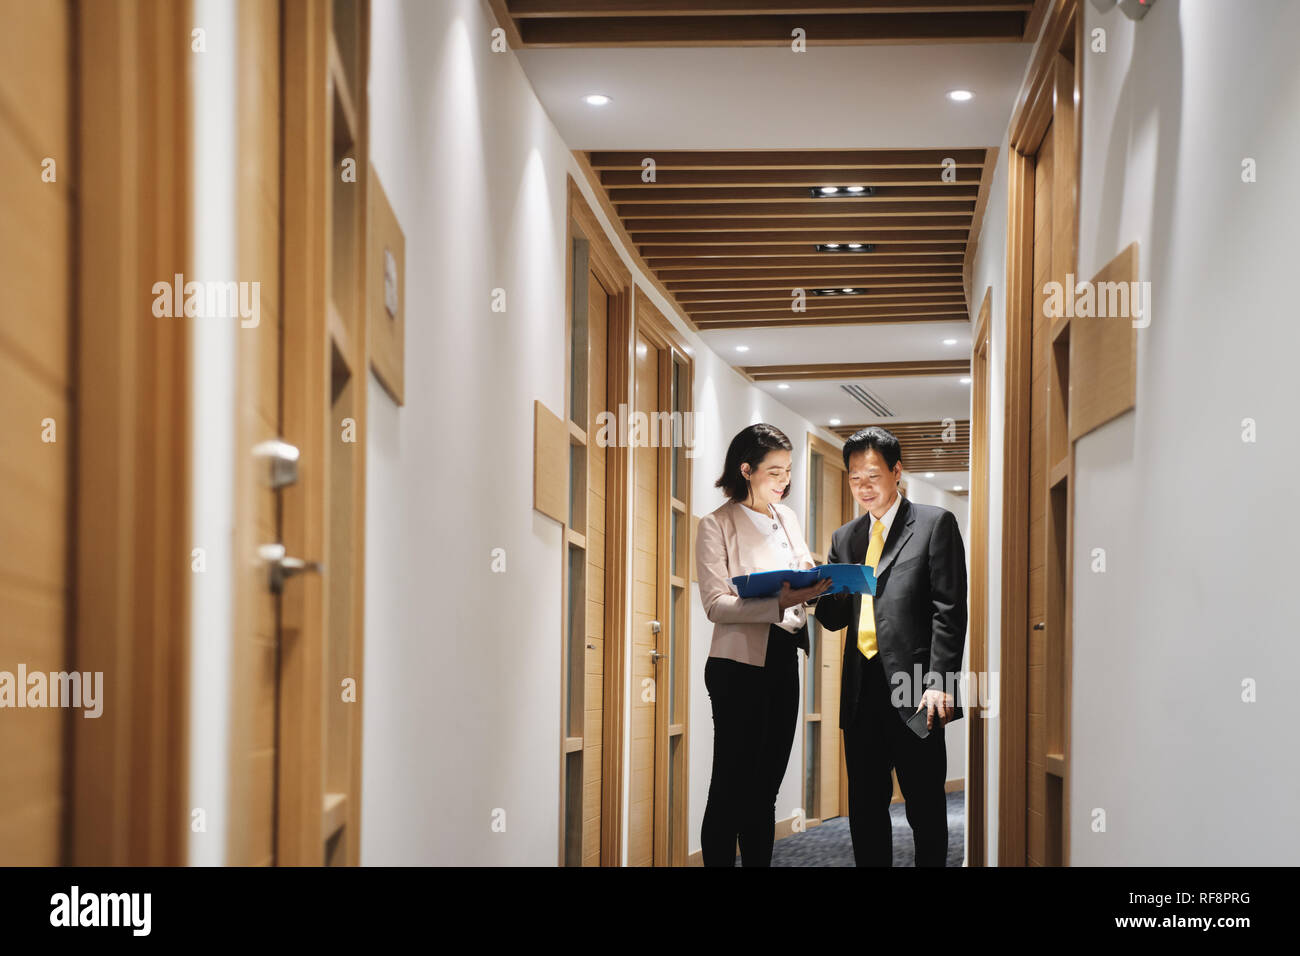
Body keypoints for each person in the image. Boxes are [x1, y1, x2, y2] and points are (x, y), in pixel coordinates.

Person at [812, 426, 967, 867]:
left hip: (916, 686)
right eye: (855, 477)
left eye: (873, 475)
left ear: (897, 472)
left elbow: (949, 611)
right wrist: (816, 586)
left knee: (924, 806)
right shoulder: (845, 538)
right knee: (865, 807)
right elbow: (834, 618)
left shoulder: (934, 523)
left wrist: (940, 683)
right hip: (862, 689)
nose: (863, 486)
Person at [695, 423, 831, 867]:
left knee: (766, 785)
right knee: (731, 783)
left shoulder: (786, 518)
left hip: (783, 657)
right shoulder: (716, 524)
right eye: (774, 471)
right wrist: (779, 600)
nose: (784, 481)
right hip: (736, 666)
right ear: (747, 469)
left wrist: (817, 584)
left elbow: (802, 569)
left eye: (788, 471)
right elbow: (716, 605)